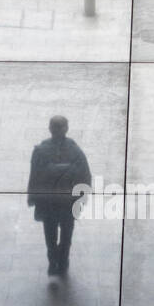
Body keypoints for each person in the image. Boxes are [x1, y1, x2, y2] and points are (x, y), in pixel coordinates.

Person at [27, 116, 91, 276]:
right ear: (66, 129)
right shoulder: (75, 150)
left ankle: (53, 262)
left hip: (48, 203)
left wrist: (33, 198)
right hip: (68, 203)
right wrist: (82, 197)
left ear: (50, 129)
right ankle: (63, 262)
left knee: (50, 236)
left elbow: (34, 176)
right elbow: (85, 176)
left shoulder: (40, 151)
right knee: (66, 235)